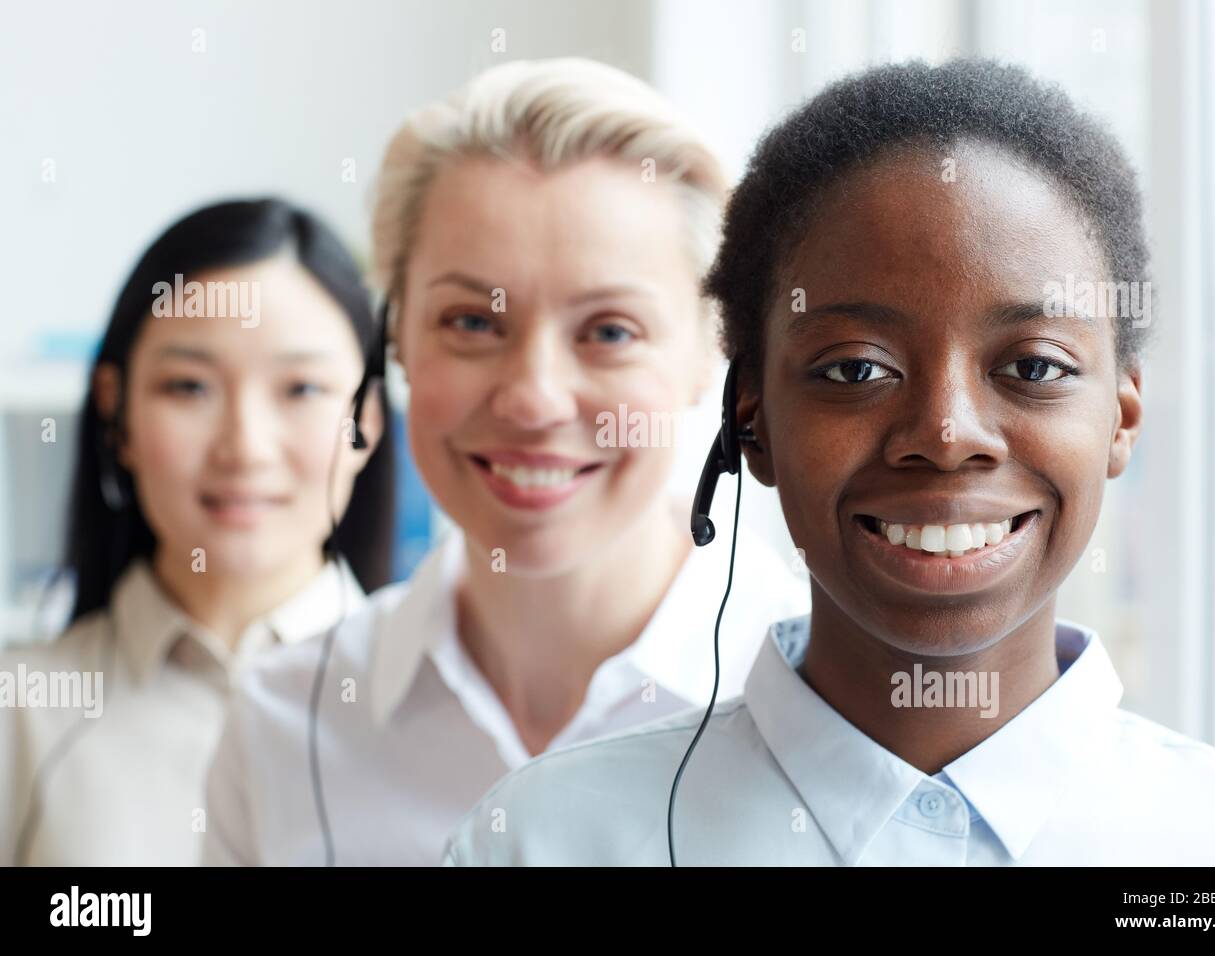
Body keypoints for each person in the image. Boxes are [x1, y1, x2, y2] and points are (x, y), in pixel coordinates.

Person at [442, 58, 1215, 866]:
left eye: (1034, 366)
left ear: (1121, 414)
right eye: (855, 369)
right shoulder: (549, 842)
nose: (947, 432)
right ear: (751, 419)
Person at [203, 58, 809, 865]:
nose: (533, 399)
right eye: (472, 322)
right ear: (398, 343)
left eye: (610, 331)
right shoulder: (285, 722)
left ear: (716, 354)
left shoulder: (838, 708)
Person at [0, 198, 394, 865]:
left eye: (300, 389)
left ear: (369, 420)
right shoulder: (22, 716)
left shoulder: (444, 700)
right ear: (114, 408)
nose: (244, 447)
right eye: (189, 387)